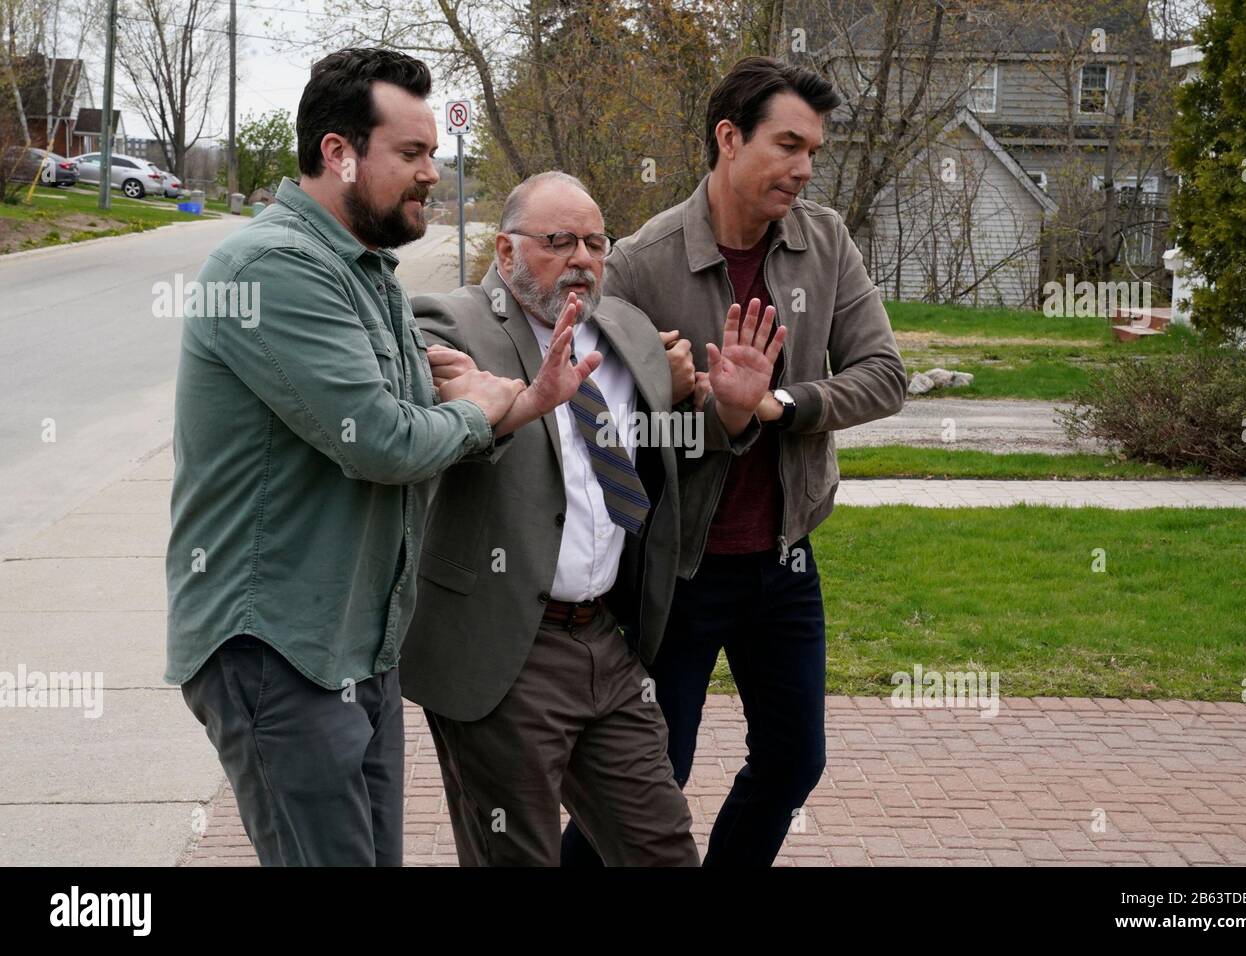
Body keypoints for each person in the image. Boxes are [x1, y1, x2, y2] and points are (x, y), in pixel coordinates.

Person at [165, 49, 580, 866]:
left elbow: (406, 418)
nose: (433, 173)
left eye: (433, 152)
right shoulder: (272, 269)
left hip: (360, 644)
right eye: (413, 154)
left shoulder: (370, 274)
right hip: (277, 649)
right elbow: (382, 441)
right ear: (338, 152)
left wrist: (511, 407)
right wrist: (470, 411)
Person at [561, 56, 908, 867]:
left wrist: (777, 406)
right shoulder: (642, 263)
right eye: (788, 144)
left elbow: (883, 375)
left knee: (794, 760)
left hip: (784, 560)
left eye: (813, 151)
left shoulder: (824, 242)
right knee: (652, 775)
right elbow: (598, 436)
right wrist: (684, 401)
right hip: (674, 569)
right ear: (728, 137)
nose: (804, 168)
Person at [399, 171, 783, 865]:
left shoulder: (627, 330)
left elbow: (667, 454)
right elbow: (425, 442)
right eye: (559, 241)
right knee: (518, 854)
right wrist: (502, 408)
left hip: (606, 640)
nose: (582, 257)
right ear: (507, 252)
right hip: (502, 644)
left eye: (595, 242)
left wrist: (726, 410)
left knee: (661, 844)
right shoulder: (451, 324)